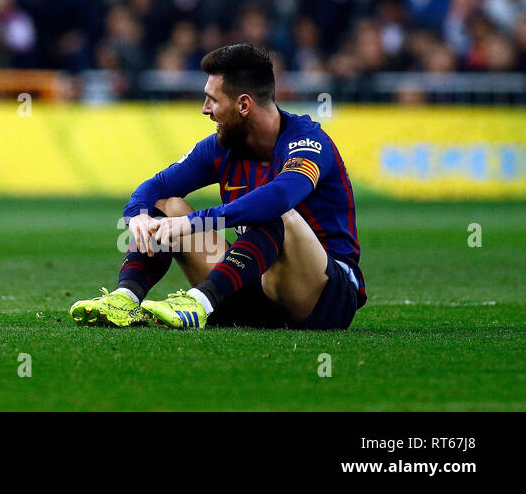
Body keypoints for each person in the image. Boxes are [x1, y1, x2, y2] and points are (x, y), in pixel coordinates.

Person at [71, 44, 365, 330]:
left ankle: (198, 302)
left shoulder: (307, 142)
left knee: (278, 214)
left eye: (212, 99)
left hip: (323, 298)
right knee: (166, 205)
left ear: (244, 104)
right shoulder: (221, 147)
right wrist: (137, 214)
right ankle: (125, 298)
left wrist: (193, 222)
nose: (204, 109)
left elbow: (280, 196)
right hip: (255, 289)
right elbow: (157, 185)